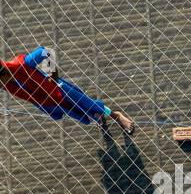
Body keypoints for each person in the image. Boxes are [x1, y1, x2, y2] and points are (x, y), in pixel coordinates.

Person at [0, 46, 135, 132]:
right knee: (80, 115)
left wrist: (52, 74)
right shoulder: (4, 83)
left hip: (57, 90)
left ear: (4, 71)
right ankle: (97, 116)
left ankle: (115, 115)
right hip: (46, 102)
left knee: (87, 103)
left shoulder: (21, 64)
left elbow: (44, 52)